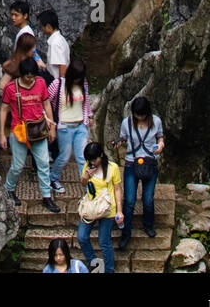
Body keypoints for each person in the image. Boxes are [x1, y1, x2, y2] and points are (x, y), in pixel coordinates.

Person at [0, 56, 60, 212]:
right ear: (21, 74)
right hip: (19, 132)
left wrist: (52, 127)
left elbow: (46, 104)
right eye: (27, 76)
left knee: (44, 164)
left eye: (33, 76)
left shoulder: (40, 83)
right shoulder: (11, 88)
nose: (30, 79)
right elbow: (4, 109)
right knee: (17, 166)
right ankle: (9, 189)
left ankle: (47, 197)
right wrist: (1, 134)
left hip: (38, 130)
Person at [0, 33, 39, 163]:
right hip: (18, 107)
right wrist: (15, 96)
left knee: (26, 134)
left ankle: (36, 164)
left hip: (26, 106)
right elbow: (2, 85)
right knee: (20, 135)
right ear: (25, 49)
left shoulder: (24, 61)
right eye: (32, 48)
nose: (34, 50)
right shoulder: (16, 65)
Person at [117, 95, 164, 248]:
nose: (140, 117)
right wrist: (119, 143)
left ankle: (148, 225)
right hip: (132, 163)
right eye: (137, 115)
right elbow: (123, 139)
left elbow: (160, 138)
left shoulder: (156, 121)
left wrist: (160, 146)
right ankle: (126, 233)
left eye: (142, 115)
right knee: (129, 200)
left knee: (148, 199)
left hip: (150, 163)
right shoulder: (127, 123)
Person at [77, 141, 123, 274]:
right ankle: (95, 264)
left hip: (107, 208)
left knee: (104, 241)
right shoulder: (88, 165)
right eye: (90, 160)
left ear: (101, 156)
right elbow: (83, 183)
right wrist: (85, 176)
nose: (92, 162)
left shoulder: (113, 168)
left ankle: (109, 270)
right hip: (91, 207)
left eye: (94, 159)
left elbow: (118, 189)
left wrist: (119, 211)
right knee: (82, 237)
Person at [47, 57, 91, 195]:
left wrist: (89, 116)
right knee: (64, 156)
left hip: (80, 126)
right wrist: (50, 122)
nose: (79, 80)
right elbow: (46, 101)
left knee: (82, 157)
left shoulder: (83, 84)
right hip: (64, 127)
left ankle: (87, 187)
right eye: (77, 77)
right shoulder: (58, 84)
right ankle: (53, 178)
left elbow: (86, 102)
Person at [38, 9, 71, 79]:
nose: (41, 29)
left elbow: (62, 65)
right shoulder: (60, 39)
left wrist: (60, 85)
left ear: (48, 26)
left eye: (42, 26)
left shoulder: (55, 43)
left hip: (54, 80)